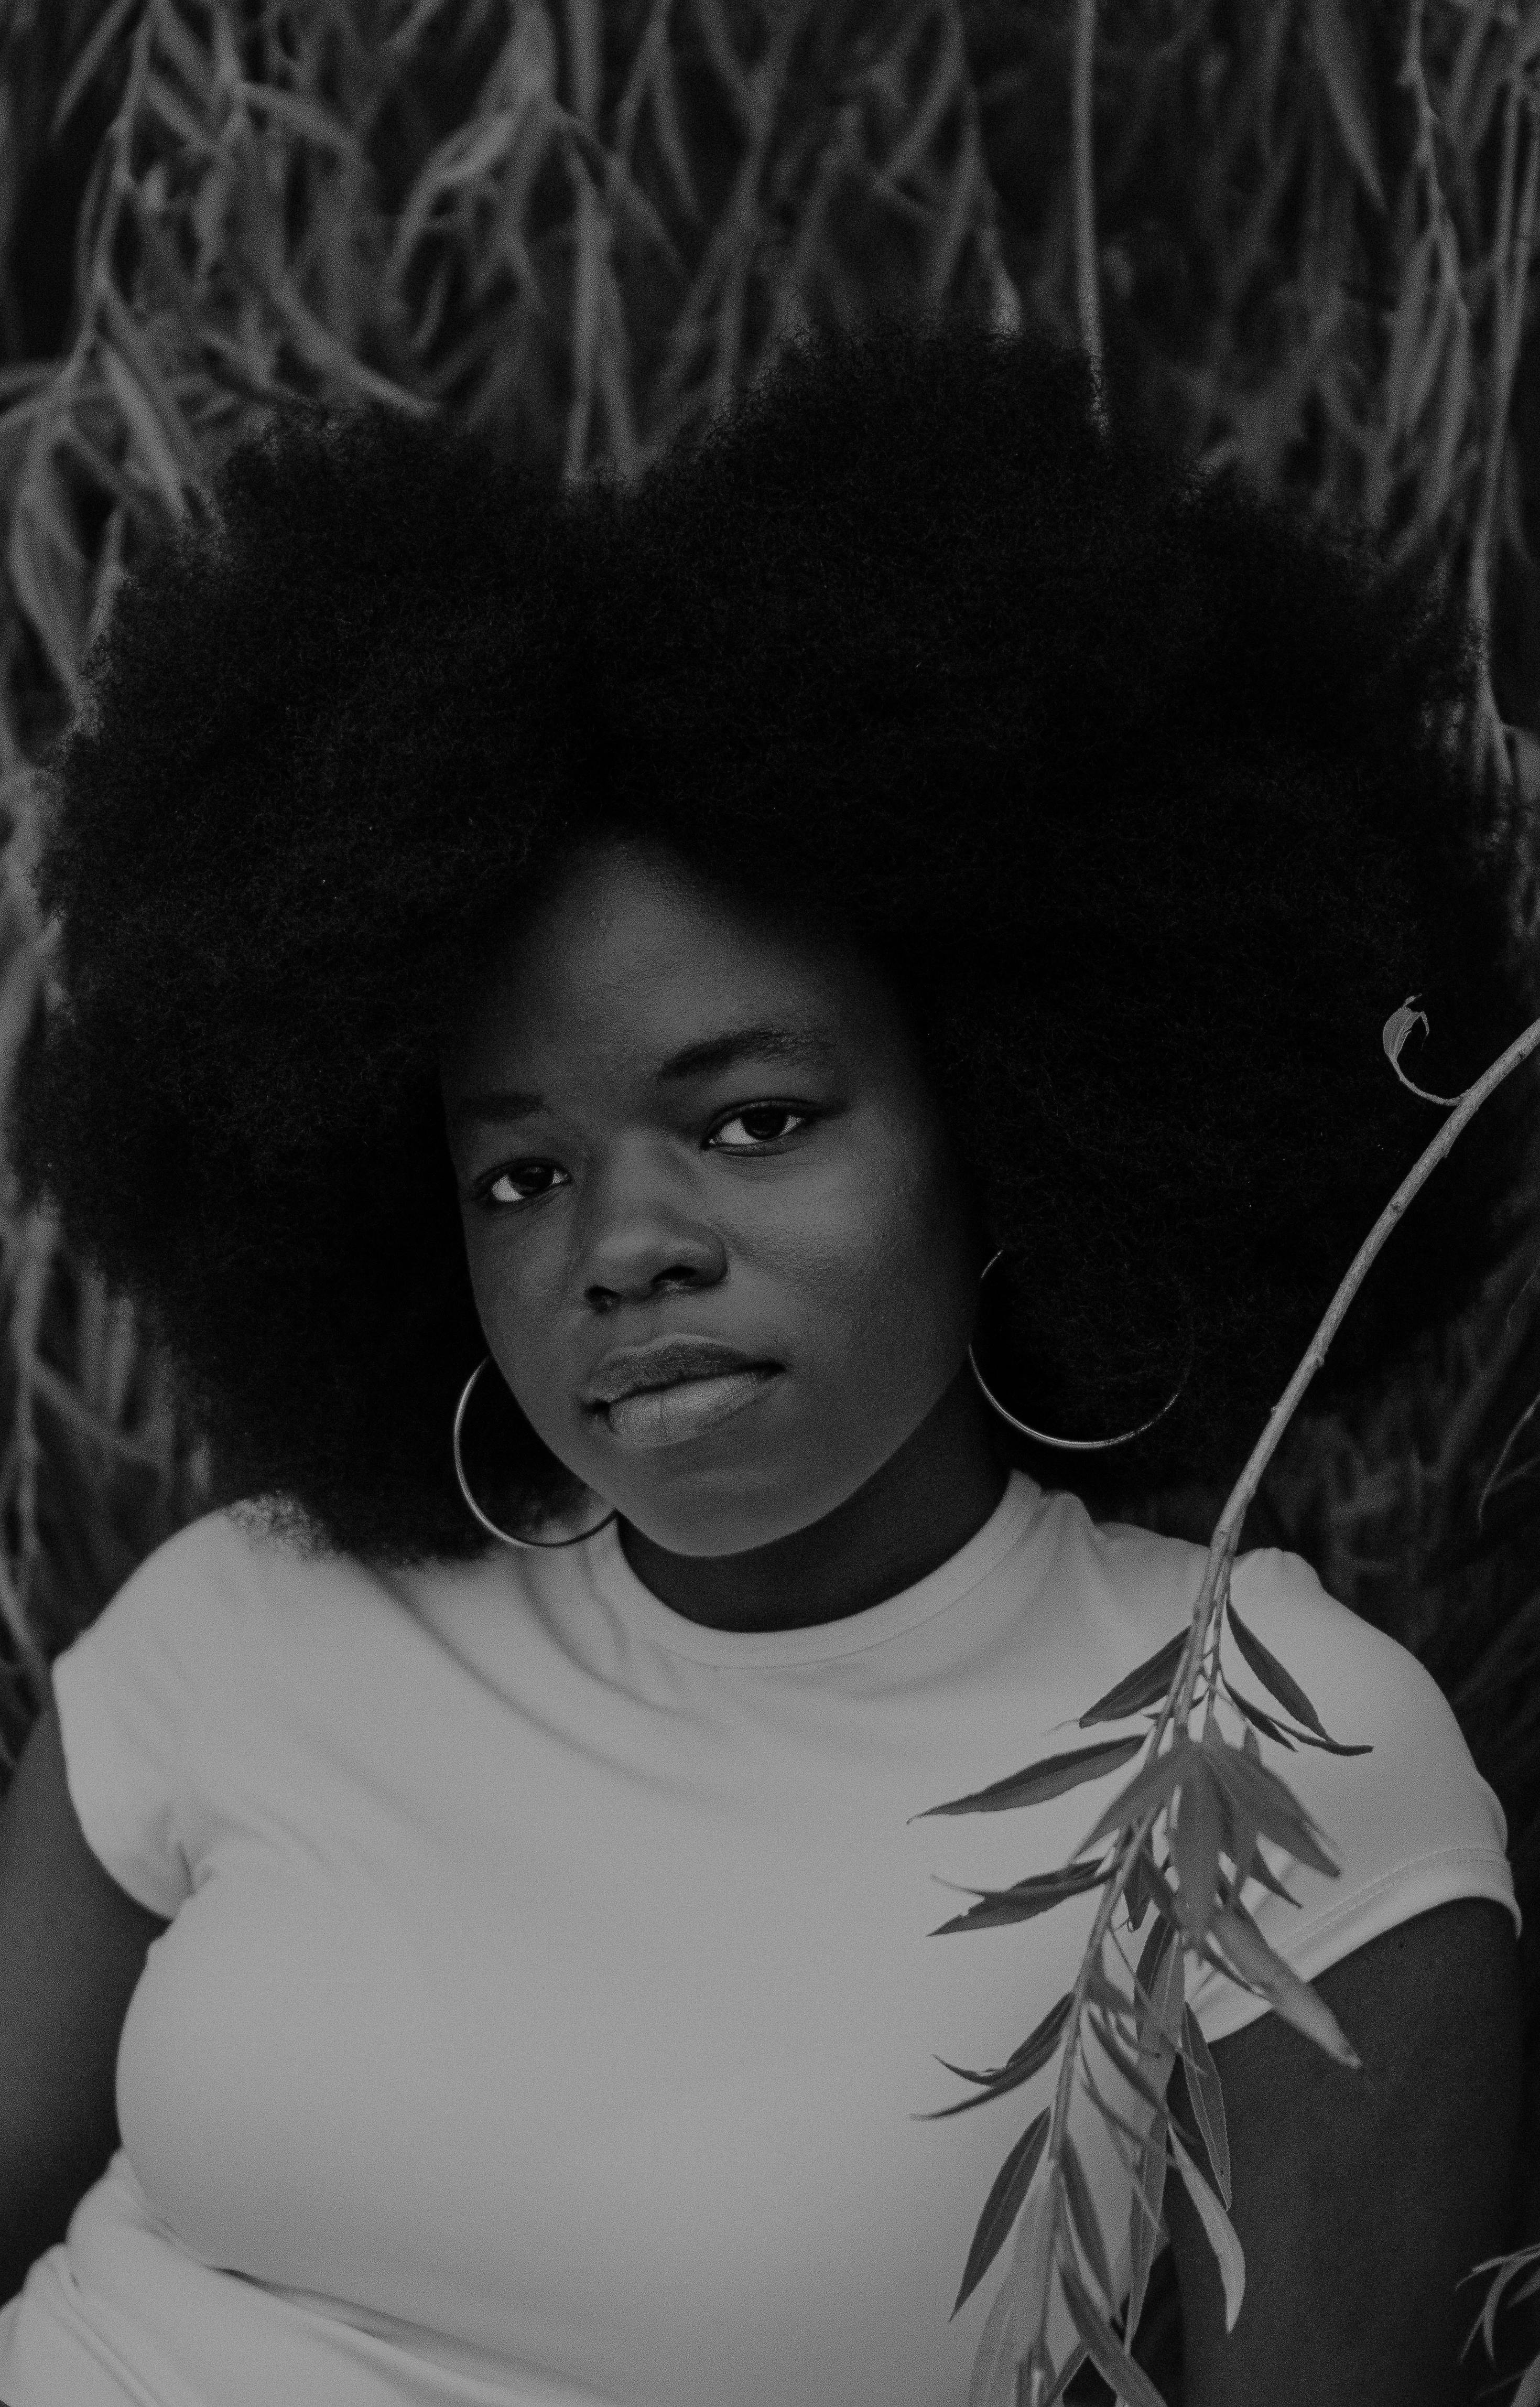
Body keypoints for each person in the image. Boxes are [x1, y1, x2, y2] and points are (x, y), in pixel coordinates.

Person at [0, 305, 1527, 2406]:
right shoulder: (252, 1621)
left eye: (754, 1121)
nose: (624, 1246)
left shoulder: (1283, 1755)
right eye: (519, 1176)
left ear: (1014, 1125)